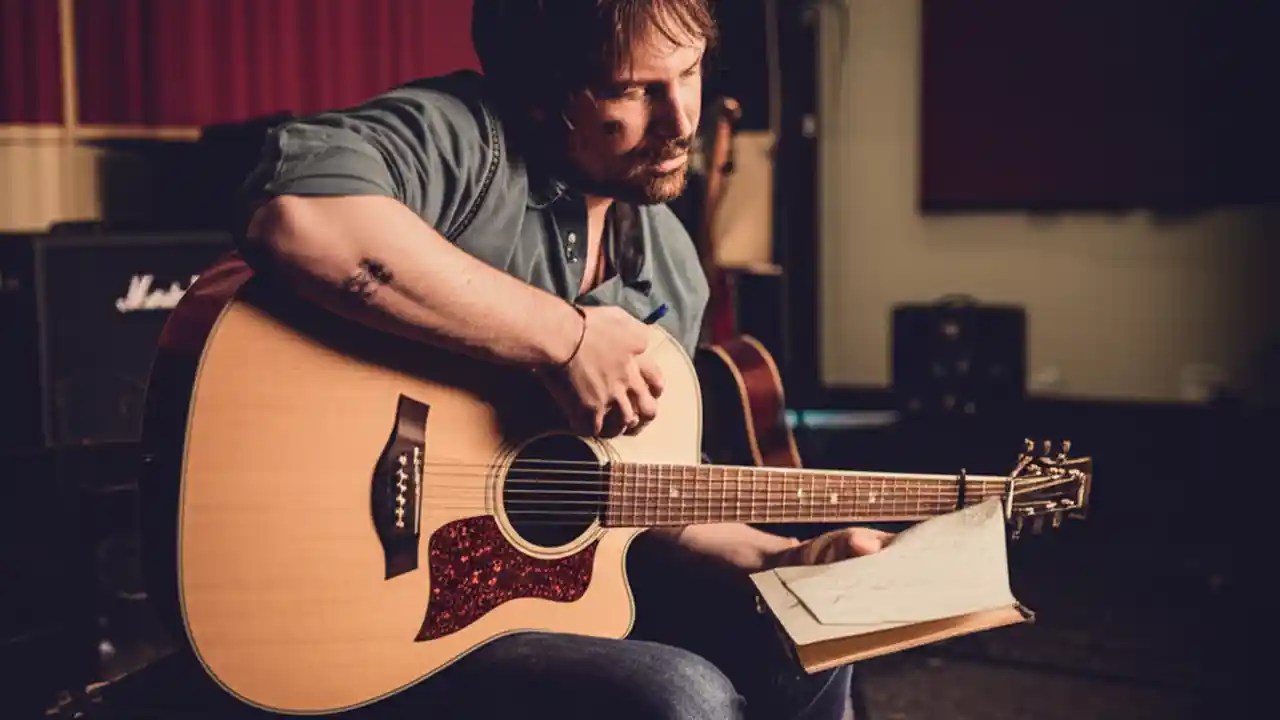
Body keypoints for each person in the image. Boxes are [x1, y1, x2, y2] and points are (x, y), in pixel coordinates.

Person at [234, 2, 894, 718]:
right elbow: (298, 218)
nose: (680, 121)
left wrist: (783, 560)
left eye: (689, 72)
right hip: (358, 594)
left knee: (814, 637)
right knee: (683, 698)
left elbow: (640, 498)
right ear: (539, 95)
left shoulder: (671, 266)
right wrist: (565, 338)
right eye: (631, 91)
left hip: (525, 596)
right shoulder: (460, 141)